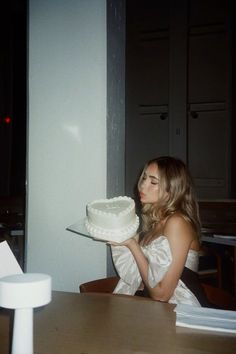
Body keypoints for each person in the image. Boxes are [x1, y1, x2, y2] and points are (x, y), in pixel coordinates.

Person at [110, 156, 209, 306]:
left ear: (172, 190)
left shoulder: (177, 222)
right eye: (143, 178)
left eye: (153, 182)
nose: (143, 186)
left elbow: (162, 295)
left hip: (182, 311)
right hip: (156, 309)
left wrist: (132, 245)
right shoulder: (154, 223)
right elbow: (145, 281)